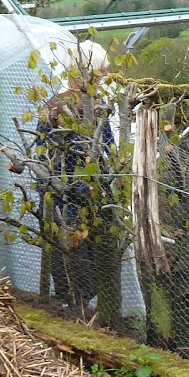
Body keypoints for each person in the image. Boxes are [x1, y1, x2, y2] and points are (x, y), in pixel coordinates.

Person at [35, 41, 114, 308]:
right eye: (101, 71)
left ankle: (77, 312)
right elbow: (107, 153)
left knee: (70, 271)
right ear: (87, 72)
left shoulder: (52, 105)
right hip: (77, 200)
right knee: (82, 271)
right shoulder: (87, 107)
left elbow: (41, 152)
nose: (104, 77)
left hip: (64, 197)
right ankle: (78, 315)